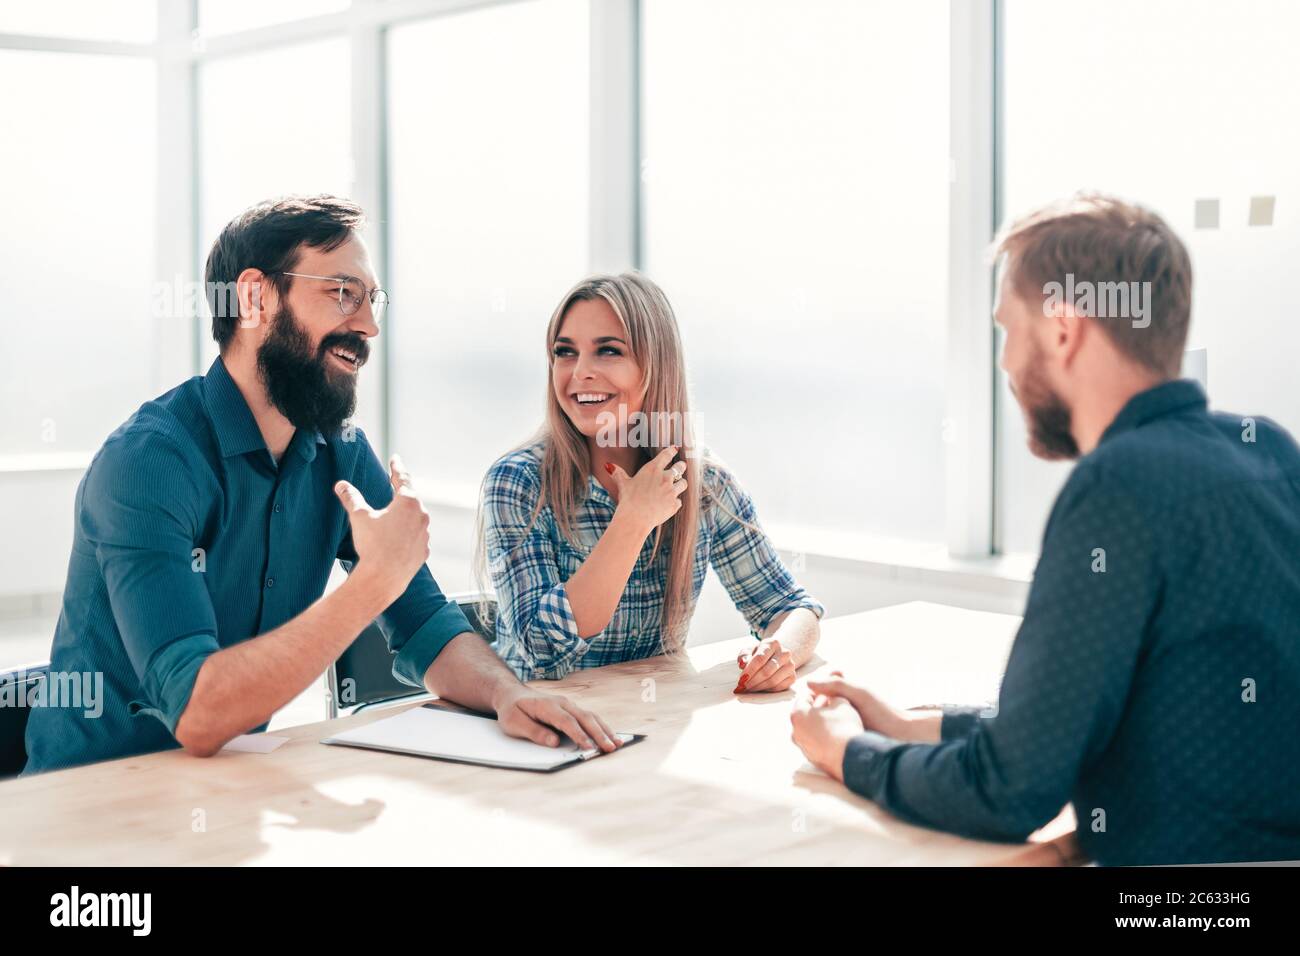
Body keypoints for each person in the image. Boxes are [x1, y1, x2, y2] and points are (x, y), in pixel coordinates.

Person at [23, 195, 620, 774]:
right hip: (87, 804)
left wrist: (506, 696)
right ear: (255, 298)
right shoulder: (147, 464)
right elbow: (198, 713)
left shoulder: (341, 452)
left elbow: (425, 624)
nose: (366, 325)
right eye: (341, 294)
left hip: (224, 787)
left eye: (371, 300)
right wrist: (371, 583)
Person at [790, 194, 1300, 865]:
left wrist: (843, 752)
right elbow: (1115, 712)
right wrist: (915, 725)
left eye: (1008, 328)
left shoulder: (1119, 485)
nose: (1004, 364)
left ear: (1064, 328)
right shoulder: (1268, 450)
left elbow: (1007, 792)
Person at [477, 272, 823, 688]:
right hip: (540, 731)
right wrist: (633, 520)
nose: (580, 372)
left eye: (608, 351)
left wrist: (779, 651)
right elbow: (539, 647)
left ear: (657, 365)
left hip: (649, 725)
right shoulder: (518, 482)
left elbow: (788, 607)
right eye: (565, 353)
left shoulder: (705, 483)